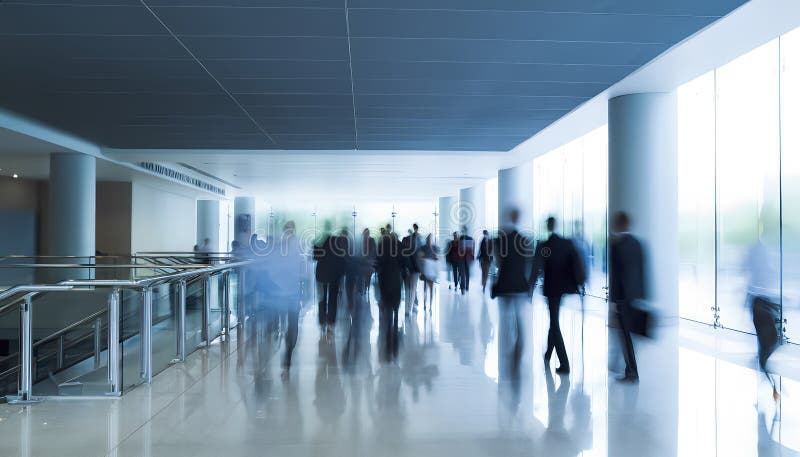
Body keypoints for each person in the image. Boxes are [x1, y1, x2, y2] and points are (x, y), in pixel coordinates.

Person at [535, 216, 583, 375]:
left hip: (551, 289)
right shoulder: (566, 243)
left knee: (554, 323)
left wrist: (529, 289)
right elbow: (575, 263)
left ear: (548, 226)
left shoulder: (544, 245)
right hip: (562, 288)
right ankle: (548, 354)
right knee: (553, 319)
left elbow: (537, 269)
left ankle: (564, 363)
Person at [492, 209, 535, 381]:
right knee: (518, 320)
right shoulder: (524, 240)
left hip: (505, 285)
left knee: (506, 318)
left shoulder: (501, 240)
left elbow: (498, 262)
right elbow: (527, 264)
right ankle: (517, 350)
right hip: (519, 286)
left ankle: (508, 347)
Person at [264, 221, 304, 379]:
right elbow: (304, 273)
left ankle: (284, 354)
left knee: (287, 324)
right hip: (291, 294)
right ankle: (287, 359)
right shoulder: (298, 248)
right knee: (292, 325)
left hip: (280, 293)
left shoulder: (278, 248)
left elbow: (271, 271)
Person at [609, 211, 645, 382]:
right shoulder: (638, 243)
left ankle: (631, 371)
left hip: (623, 299)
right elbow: (642, 272)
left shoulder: (617, 245)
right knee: (630, 337)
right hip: (635, 297)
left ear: (618, 224)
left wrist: (614, 301)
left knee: (625, 337)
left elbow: (616, 277)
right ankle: (630, 369)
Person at [313, 227, 347, 336]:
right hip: (333, 277)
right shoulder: (337, 246)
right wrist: (341, 277)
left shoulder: (321, 244)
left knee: (322, 299)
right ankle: (331, 324)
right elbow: (342, 263)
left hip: (321, 277)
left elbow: (315, 257)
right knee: (332, 300)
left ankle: (322, 321)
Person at [377, 231, 403, 361]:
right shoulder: (399, 247)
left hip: (385, 283)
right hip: (396, 283)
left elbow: (378, 264)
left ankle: (388, 344)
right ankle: (395, 344)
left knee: (388, 316)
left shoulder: (382, 246)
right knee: (395, 311)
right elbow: (404, 263)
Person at [401, 224, 422, 314]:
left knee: (409, 289)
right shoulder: (417, 240)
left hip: (409, 268)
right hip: (413, 268)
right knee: (412, 288)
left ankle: (410, 308)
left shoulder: (408, 241)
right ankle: (410, 307)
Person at [419, 234, 439, 310]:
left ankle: (430, 305)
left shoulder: (434, 248)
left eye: (430, 239)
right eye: (428, 239)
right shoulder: (423, 248)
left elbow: (437, 258)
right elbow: (420, 258)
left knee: (431, 288)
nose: (429, 241)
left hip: (431, 271)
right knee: (425, 288)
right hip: (425, 270)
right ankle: (425, 303)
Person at [457, 226, 475, 294]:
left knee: (464, 273)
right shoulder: (470, 239)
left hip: (463, 258)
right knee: (466, 273)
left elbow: (458, 249)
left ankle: (464, 288)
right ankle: (465, 287)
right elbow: (472, 250)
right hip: (467, 258)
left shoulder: (461, 239)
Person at [478, 229, 493, 294]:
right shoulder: (482, 241)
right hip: (483, 259)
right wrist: (478, 257)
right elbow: (480, 250)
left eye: (486, 234)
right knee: (483, 272)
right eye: (484, 234)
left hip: (488, 260)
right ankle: (483, 283)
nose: (485, 235)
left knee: (486, 273)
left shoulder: (490, 241)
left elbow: (492, 250)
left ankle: (484, 285)